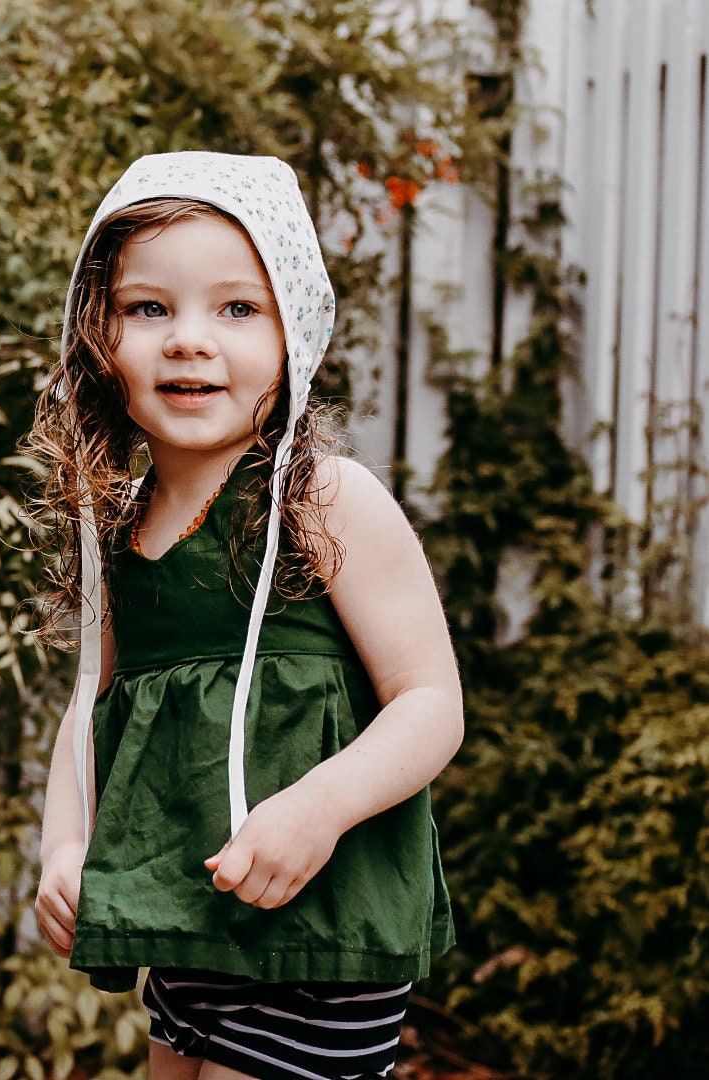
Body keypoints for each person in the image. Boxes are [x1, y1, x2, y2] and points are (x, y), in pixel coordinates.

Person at [27, 152, 463, 1080]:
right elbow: (90, 705)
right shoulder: (116, 528)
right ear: (96, 335)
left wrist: (318, 808)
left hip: (320, 932)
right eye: (149, 308)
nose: (189, 340)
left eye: (236, 308)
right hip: (189, 929)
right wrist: (63, 843)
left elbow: (430, 704)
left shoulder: (322, 499)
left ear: (294, 328)